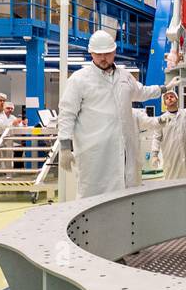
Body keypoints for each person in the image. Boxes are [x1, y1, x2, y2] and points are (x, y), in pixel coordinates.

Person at [57, 30, 171, 198]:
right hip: (94, 153)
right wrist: (65, 147)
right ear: (91, 53)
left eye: (108, 53)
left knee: (126, 198)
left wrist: (164, 88)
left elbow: (141, 92)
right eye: (99, 54)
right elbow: (67, 114)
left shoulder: (124, 76)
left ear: (115, 51)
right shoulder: (79, 80)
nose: (103, 58)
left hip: (125, 150)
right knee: (93, 200)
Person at [139, 87, 186, 181]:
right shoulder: (161, 120)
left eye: (172, 96)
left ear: (177, 99)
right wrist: (154, 155)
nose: (169, 98)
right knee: (172, 186)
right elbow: (156, 138)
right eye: (167, 98)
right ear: (165, 103)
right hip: (171, 159)